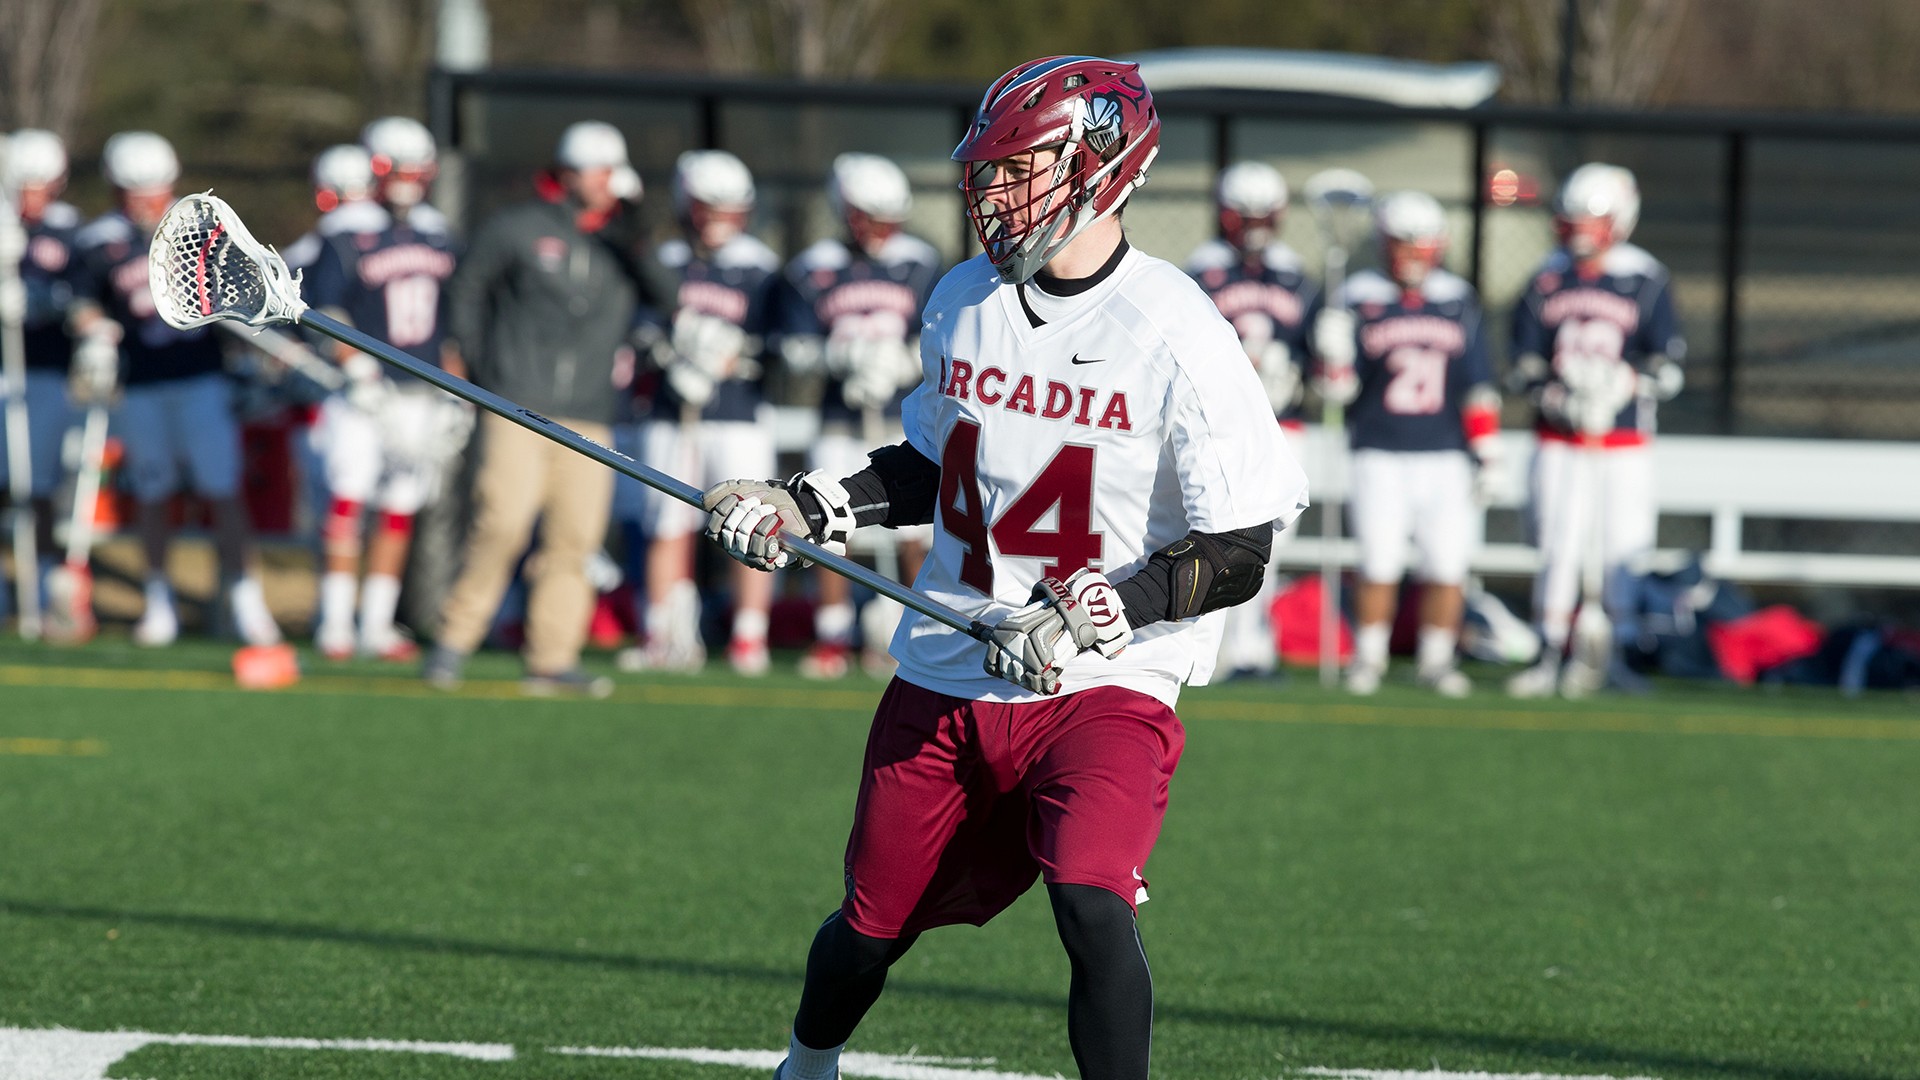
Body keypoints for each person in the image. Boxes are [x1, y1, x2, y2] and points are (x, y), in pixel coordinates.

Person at [699, 55, 1306, 1080]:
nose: (996, 193)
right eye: (992, 171)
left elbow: (1242, 543)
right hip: (948, 659)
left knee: (1089, 893)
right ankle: (807, 1065)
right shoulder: (963, 297)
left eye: (1023, 169)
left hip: (1104, 677)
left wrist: (1100, 609)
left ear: (1103, 166)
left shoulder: (1175, 329)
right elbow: (935, 466)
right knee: (870, 925)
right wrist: (804, 506)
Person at [422, 120, 647, 697]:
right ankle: (453, 641)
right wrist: (472, 366)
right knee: (501, 521)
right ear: (568, 173)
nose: (604, 183)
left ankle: (551, 658)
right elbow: (468, 290)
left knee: (573, 541)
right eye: (595, 172)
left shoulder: (622, 245)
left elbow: (664, 291)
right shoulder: (517, 227)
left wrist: (635, 226)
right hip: (515, 405)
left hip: (590, 412)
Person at [72, 131, 280, 647]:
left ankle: (246, 600)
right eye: (134, 191)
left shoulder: (208, 230)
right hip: (141, 383)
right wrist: (95, 330)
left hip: (201, 378)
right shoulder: (100, 241)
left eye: (154, 190)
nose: (146, 202)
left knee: (222, 489)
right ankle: (159, 600)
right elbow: (84, 302)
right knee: (152, 491)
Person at [1311, 191, 1501, 697]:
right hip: (1377, 446)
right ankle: (1370, 659)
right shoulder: (1356, 295)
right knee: (1378, 560)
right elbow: (1336, 391)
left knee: (1447, 562)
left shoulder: (1457, 298)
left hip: (1445, 452)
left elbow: (1476, 385)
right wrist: (1333, 358)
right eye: (1402, 245)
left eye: (1420, 246)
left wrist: (1488, 451)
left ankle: (1436, 661)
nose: (1411, 257)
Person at [1505, 162, 1684, 698]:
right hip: (1559, 438)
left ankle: (1621, 656)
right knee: (1558, 546)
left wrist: (1622, 384)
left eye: (1592, 220)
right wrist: (1556, 395)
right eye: (1573, 220)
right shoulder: (1545, 277)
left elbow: (1668, 365)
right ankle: (1548, 651)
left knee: (1622, 549)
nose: (1580, 232)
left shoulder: (1645, 278)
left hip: (1623, 440)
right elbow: (1522, 363)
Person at [773, 152, 941, 679]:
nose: (882, 231)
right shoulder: (813, 266)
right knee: (828, 523)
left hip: (903, 415)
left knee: (914, 529)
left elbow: (942, 332)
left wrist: (903, 357)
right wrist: (838, 355)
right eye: (872, 217)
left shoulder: (921, 262)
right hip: (840, 416)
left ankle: (921, 628)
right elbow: (792, 344)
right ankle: (832, 633)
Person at [303, 119, 463, 661]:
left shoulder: (438, 231)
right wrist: (354, 366)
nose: (404, 180)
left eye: (414, 169)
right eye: (393, 168)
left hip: (420, 392)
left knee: (399, 507)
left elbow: (451, 320)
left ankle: (375, 624)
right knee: (348, 501)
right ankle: (335, 623)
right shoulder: (346, 231)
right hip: (363, 390)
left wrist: (455, 388)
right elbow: (323, 310)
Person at [622, 149, 780, 676]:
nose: (719, 221)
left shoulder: (760, 268)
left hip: (738, 413)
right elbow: (638, 329)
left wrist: (735, 356)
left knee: (754, 524)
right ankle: (663, 634)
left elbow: (778, 343)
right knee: (666, 524)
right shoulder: (665, 261)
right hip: (673, 411)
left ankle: (748, 638)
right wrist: (666, 353)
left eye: (729, 210)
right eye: (709, 208)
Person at [1186, 160, 1320, 679]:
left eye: (1265, 216)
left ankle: (1253, 647)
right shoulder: (1202, 270)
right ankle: (1217, 647)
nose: (1257, 227)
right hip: (1220, 426)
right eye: (1248, 216)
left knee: (1272, 542)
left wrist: (1322, 363)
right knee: (1218, 531)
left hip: (1283, 425)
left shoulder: (1297, 275)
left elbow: (1328, 373)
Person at [0, 130, 103, 622]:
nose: (30, 195)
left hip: (43, 372)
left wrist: (47, 302)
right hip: (3, 367)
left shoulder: (71, 233)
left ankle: (39, 587)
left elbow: (85, 295)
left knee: (35, 482)